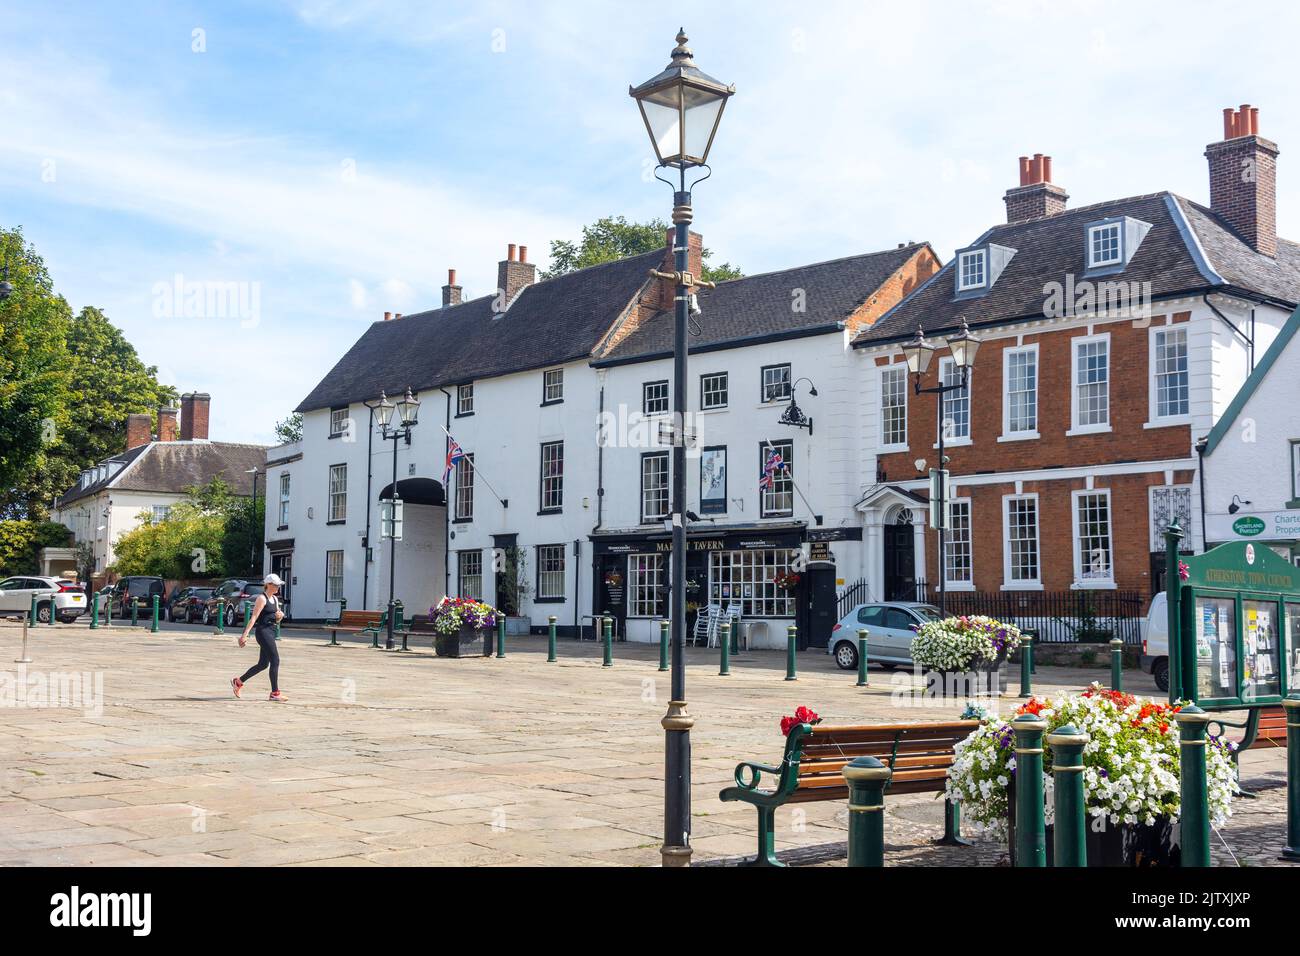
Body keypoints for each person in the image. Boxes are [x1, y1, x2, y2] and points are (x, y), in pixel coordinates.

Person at [231, 574, 287, 701]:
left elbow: (277, 618)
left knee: (262, 664)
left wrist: (280, 616)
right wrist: (244, 635)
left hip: (271, 631)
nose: (278, 587)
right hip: (263, 632)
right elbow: (254, 617)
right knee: (275, 660)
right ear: (268, 585)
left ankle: (238, 682)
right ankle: (275, 693)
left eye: (279, 585)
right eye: (276, 585)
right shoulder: (262, 598)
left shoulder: (275, 599)